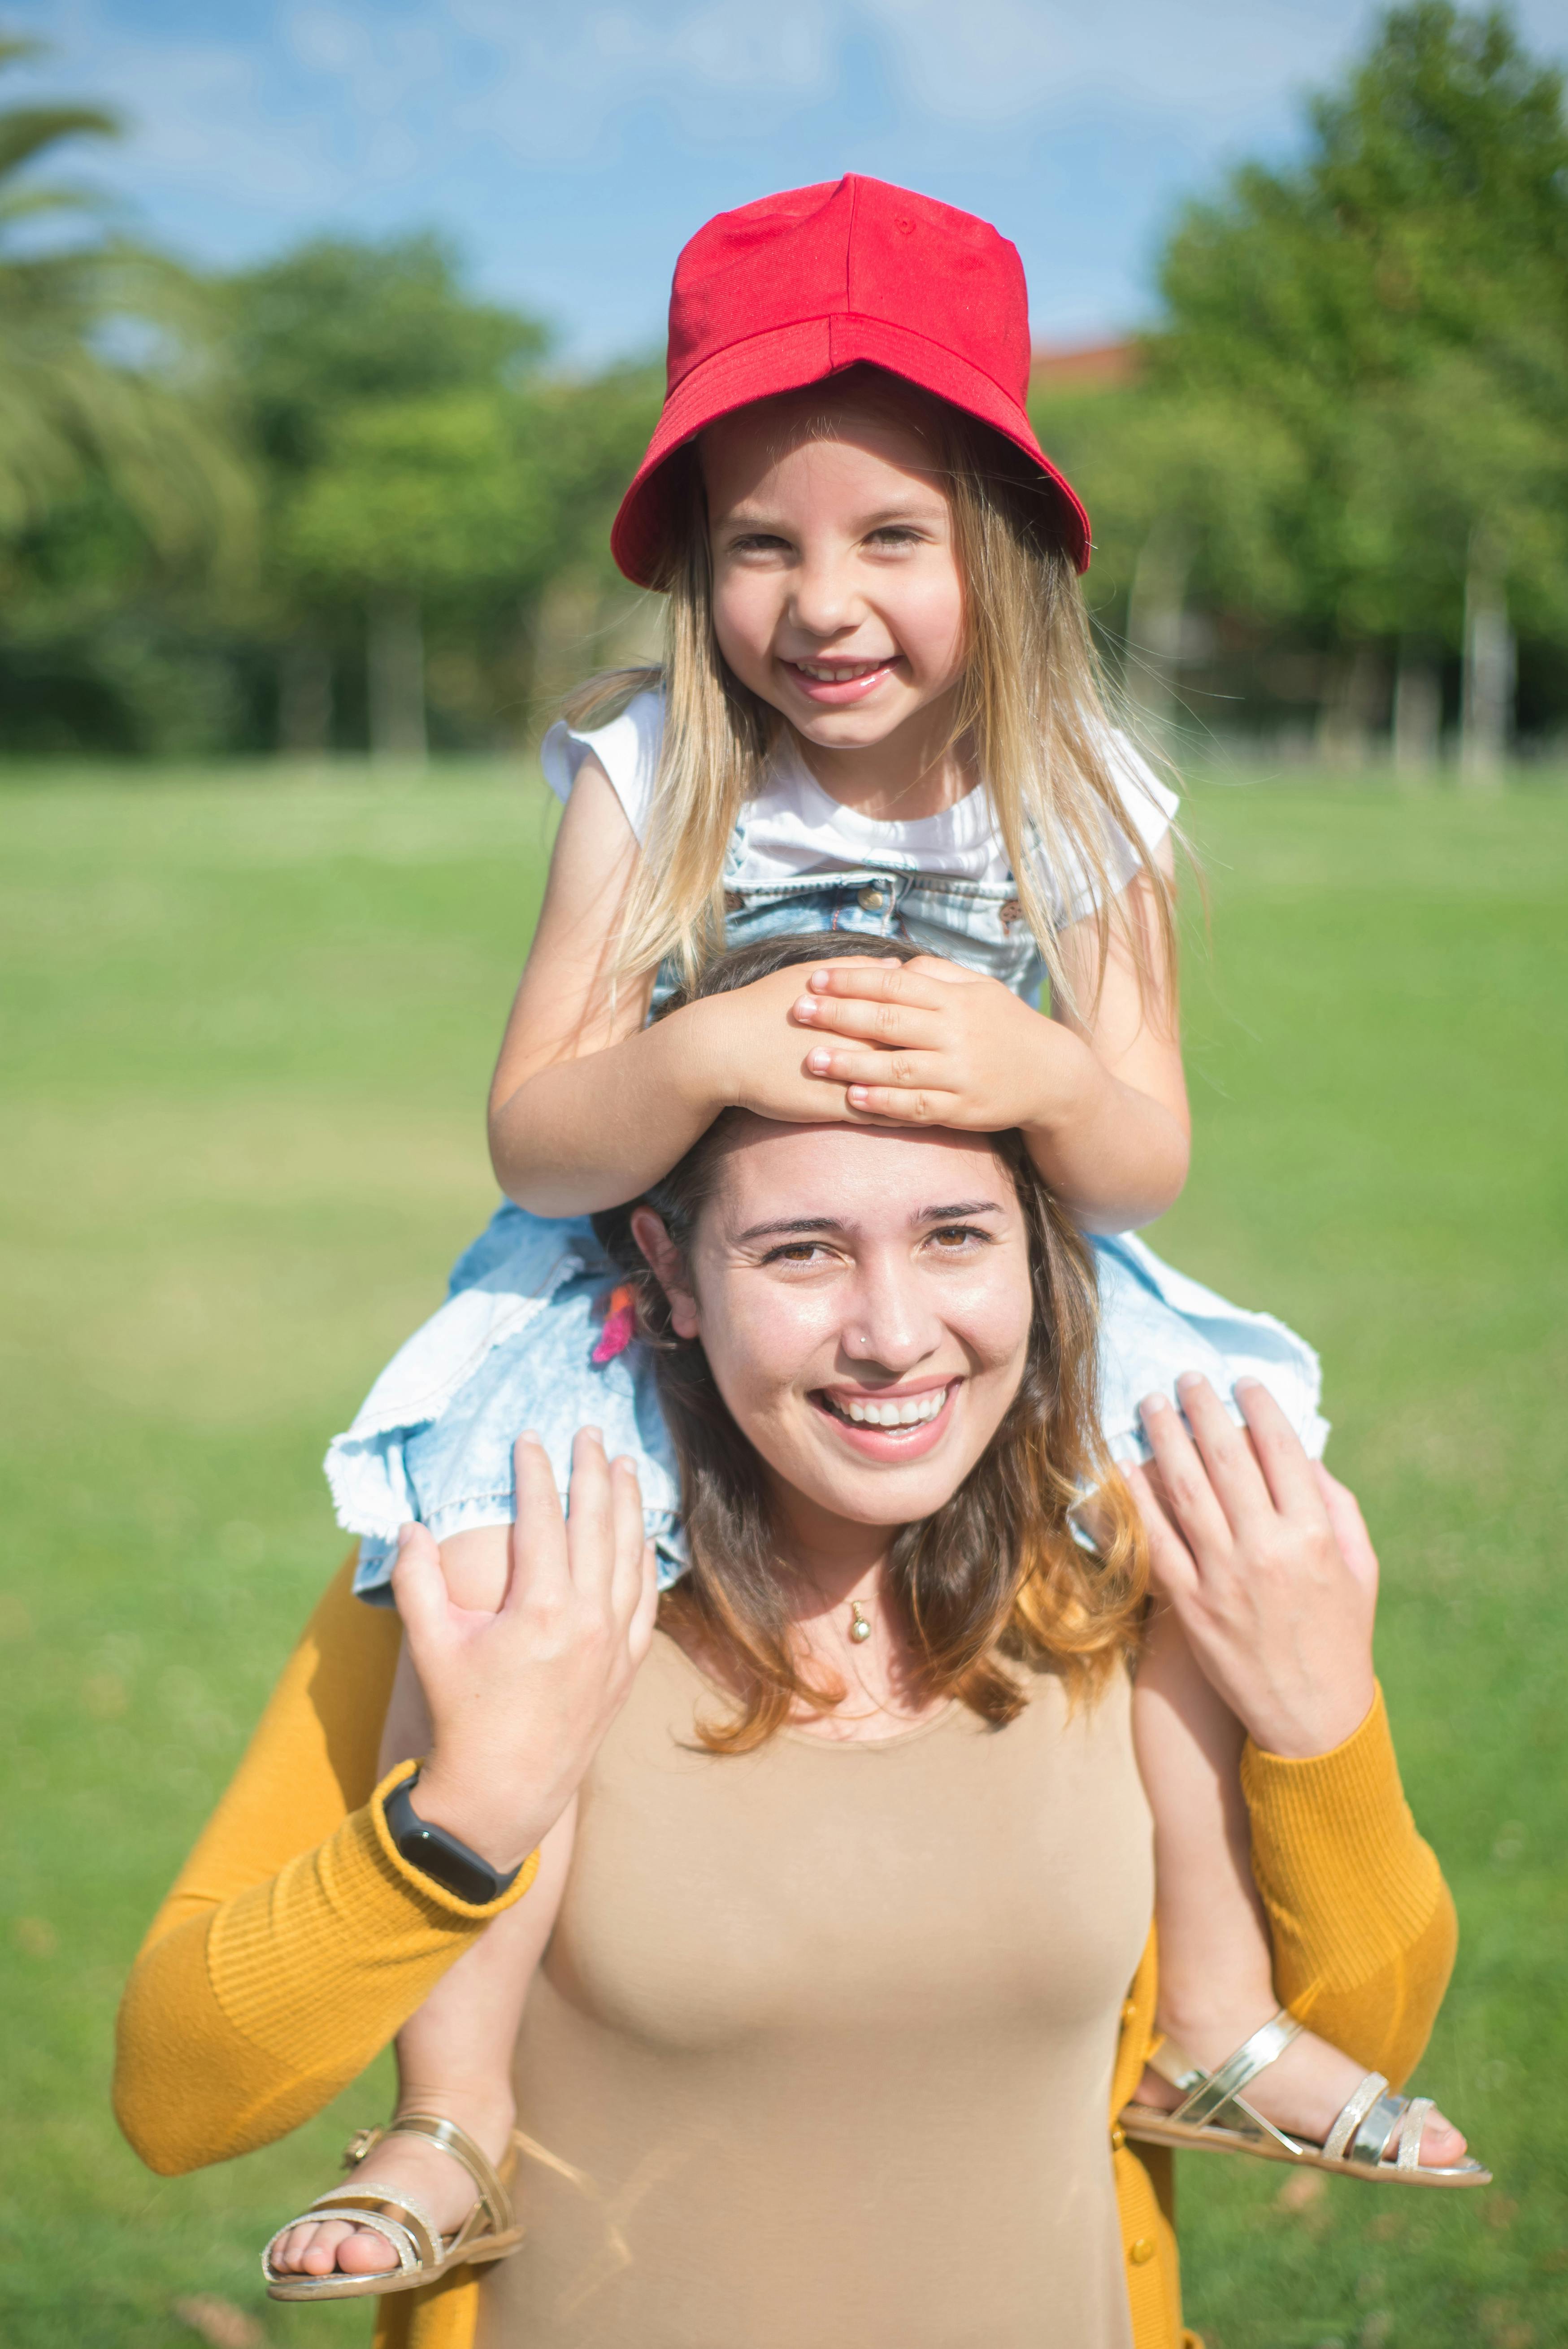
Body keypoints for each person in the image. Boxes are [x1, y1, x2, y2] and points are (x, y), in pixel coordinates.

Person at [293, 177, 1482, 2279]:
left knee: (1198, 1486)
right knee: (485, 1547)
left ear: (998, 548)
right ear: (691, 567)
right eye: (759, 540)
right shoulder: (653, 770)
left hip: (983, 1271)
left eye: (886, 536)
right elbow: (541, 1130)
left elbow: (1132, 1160)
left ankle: (1205, 2014)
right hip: (645, 1280)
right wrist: (705, 1051)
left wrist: (1039, 1083)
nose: (819, 599)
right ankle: (454, 2115)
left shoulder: (1082, 791)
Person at [116, 1055, 1472, 2348]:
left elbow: (1350, 2046)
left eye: (955, 1236)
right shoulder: (492, 1591)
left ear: (1042, 1258)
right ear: (672, 1274)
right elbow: (178, 2098)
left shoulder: (1138, 1570)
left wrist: (1317, 1725)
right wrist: (461, 1817)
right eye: (800, 1251)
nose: (892, 1336)